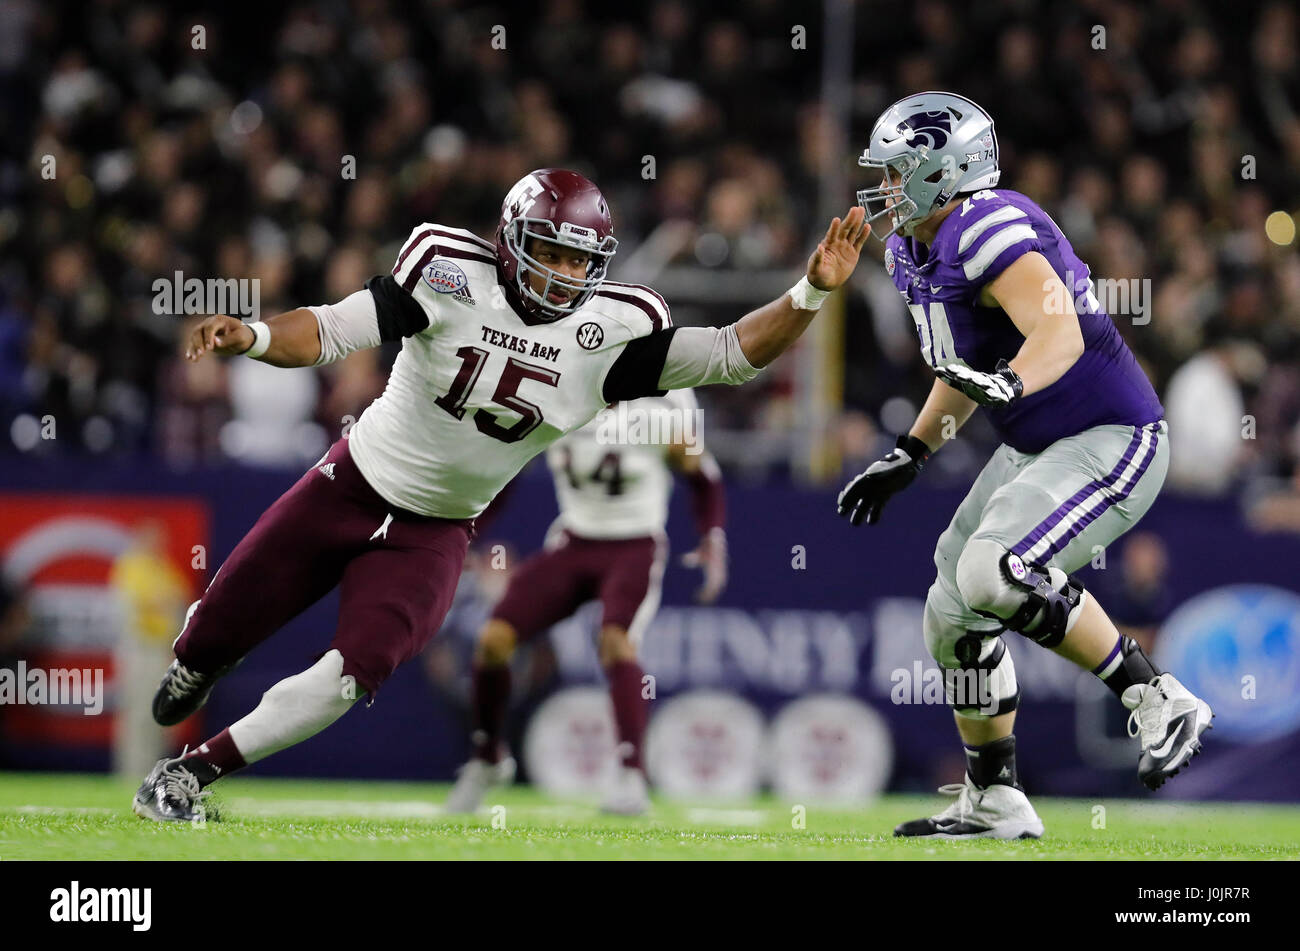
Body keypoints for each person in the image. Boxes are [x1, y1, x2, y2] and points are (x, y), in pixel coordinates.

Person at [133, 167, 869, 822]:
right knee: (213, 636)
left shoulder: (614, 331)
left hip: (438, 529)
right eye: (548, 250)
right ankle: (199, 660)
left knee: (358, 669)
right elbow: (330, 330)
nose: (562, 271)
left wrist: (809, 292)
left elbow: (732, 354)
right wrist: (256, 335)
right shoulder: (448, 270)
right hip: (348, 484)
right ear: (510, 240)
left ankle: (193, 772)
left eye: (578, 257)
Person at [837, 93, 1212, 839]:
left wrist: (1009, 382)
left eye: (897, 172)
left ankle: (1158, 695)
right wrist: (911, 451)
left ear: (946, 171)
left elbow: (1057, 331)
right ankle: (994, 796)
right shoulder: (909, 248)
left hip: (1112, 434)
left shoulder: (987, 224)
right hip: (1035, 445)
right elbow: (961, 366)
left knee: (992, 570)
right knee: (951, 612)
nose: (883, 189)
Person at [445, 386, 726, 815]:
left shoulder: (661, 403)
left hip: (635, 542)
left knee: (615, 641)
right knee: (494, 640)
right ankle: (487, 760)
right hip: (573, 541)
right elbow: (509, 471)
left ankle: (631, 775)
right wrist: (468, 529)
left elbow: (702, 476)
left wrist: (712, 538)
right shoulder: (558, 388)